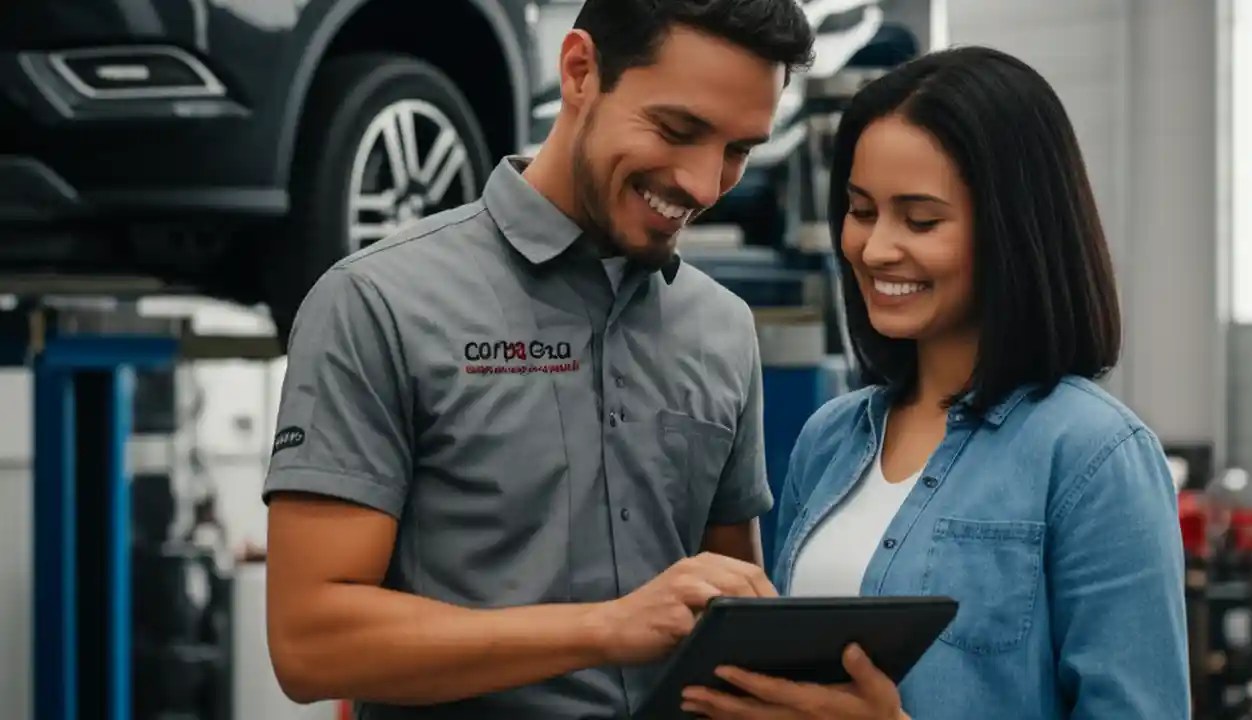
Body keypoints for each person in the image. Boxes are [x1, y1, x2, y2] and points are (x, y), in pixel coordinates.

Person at [260, 1, 814, 718]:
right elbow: (311, 645)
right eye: (679, 130)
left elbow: (729, 623)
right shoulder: (378, 303)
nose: (705, 186)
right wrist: (606, 628)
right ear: (580, 70)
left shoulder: (723, 329)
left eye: (739, 150)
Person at [682, 46, 1191, 719]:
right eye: (861, 211)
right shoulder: (830, 440)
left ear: (1013, 230)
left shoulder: (1093, 457)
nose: (876, 247)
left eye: (920, 220)